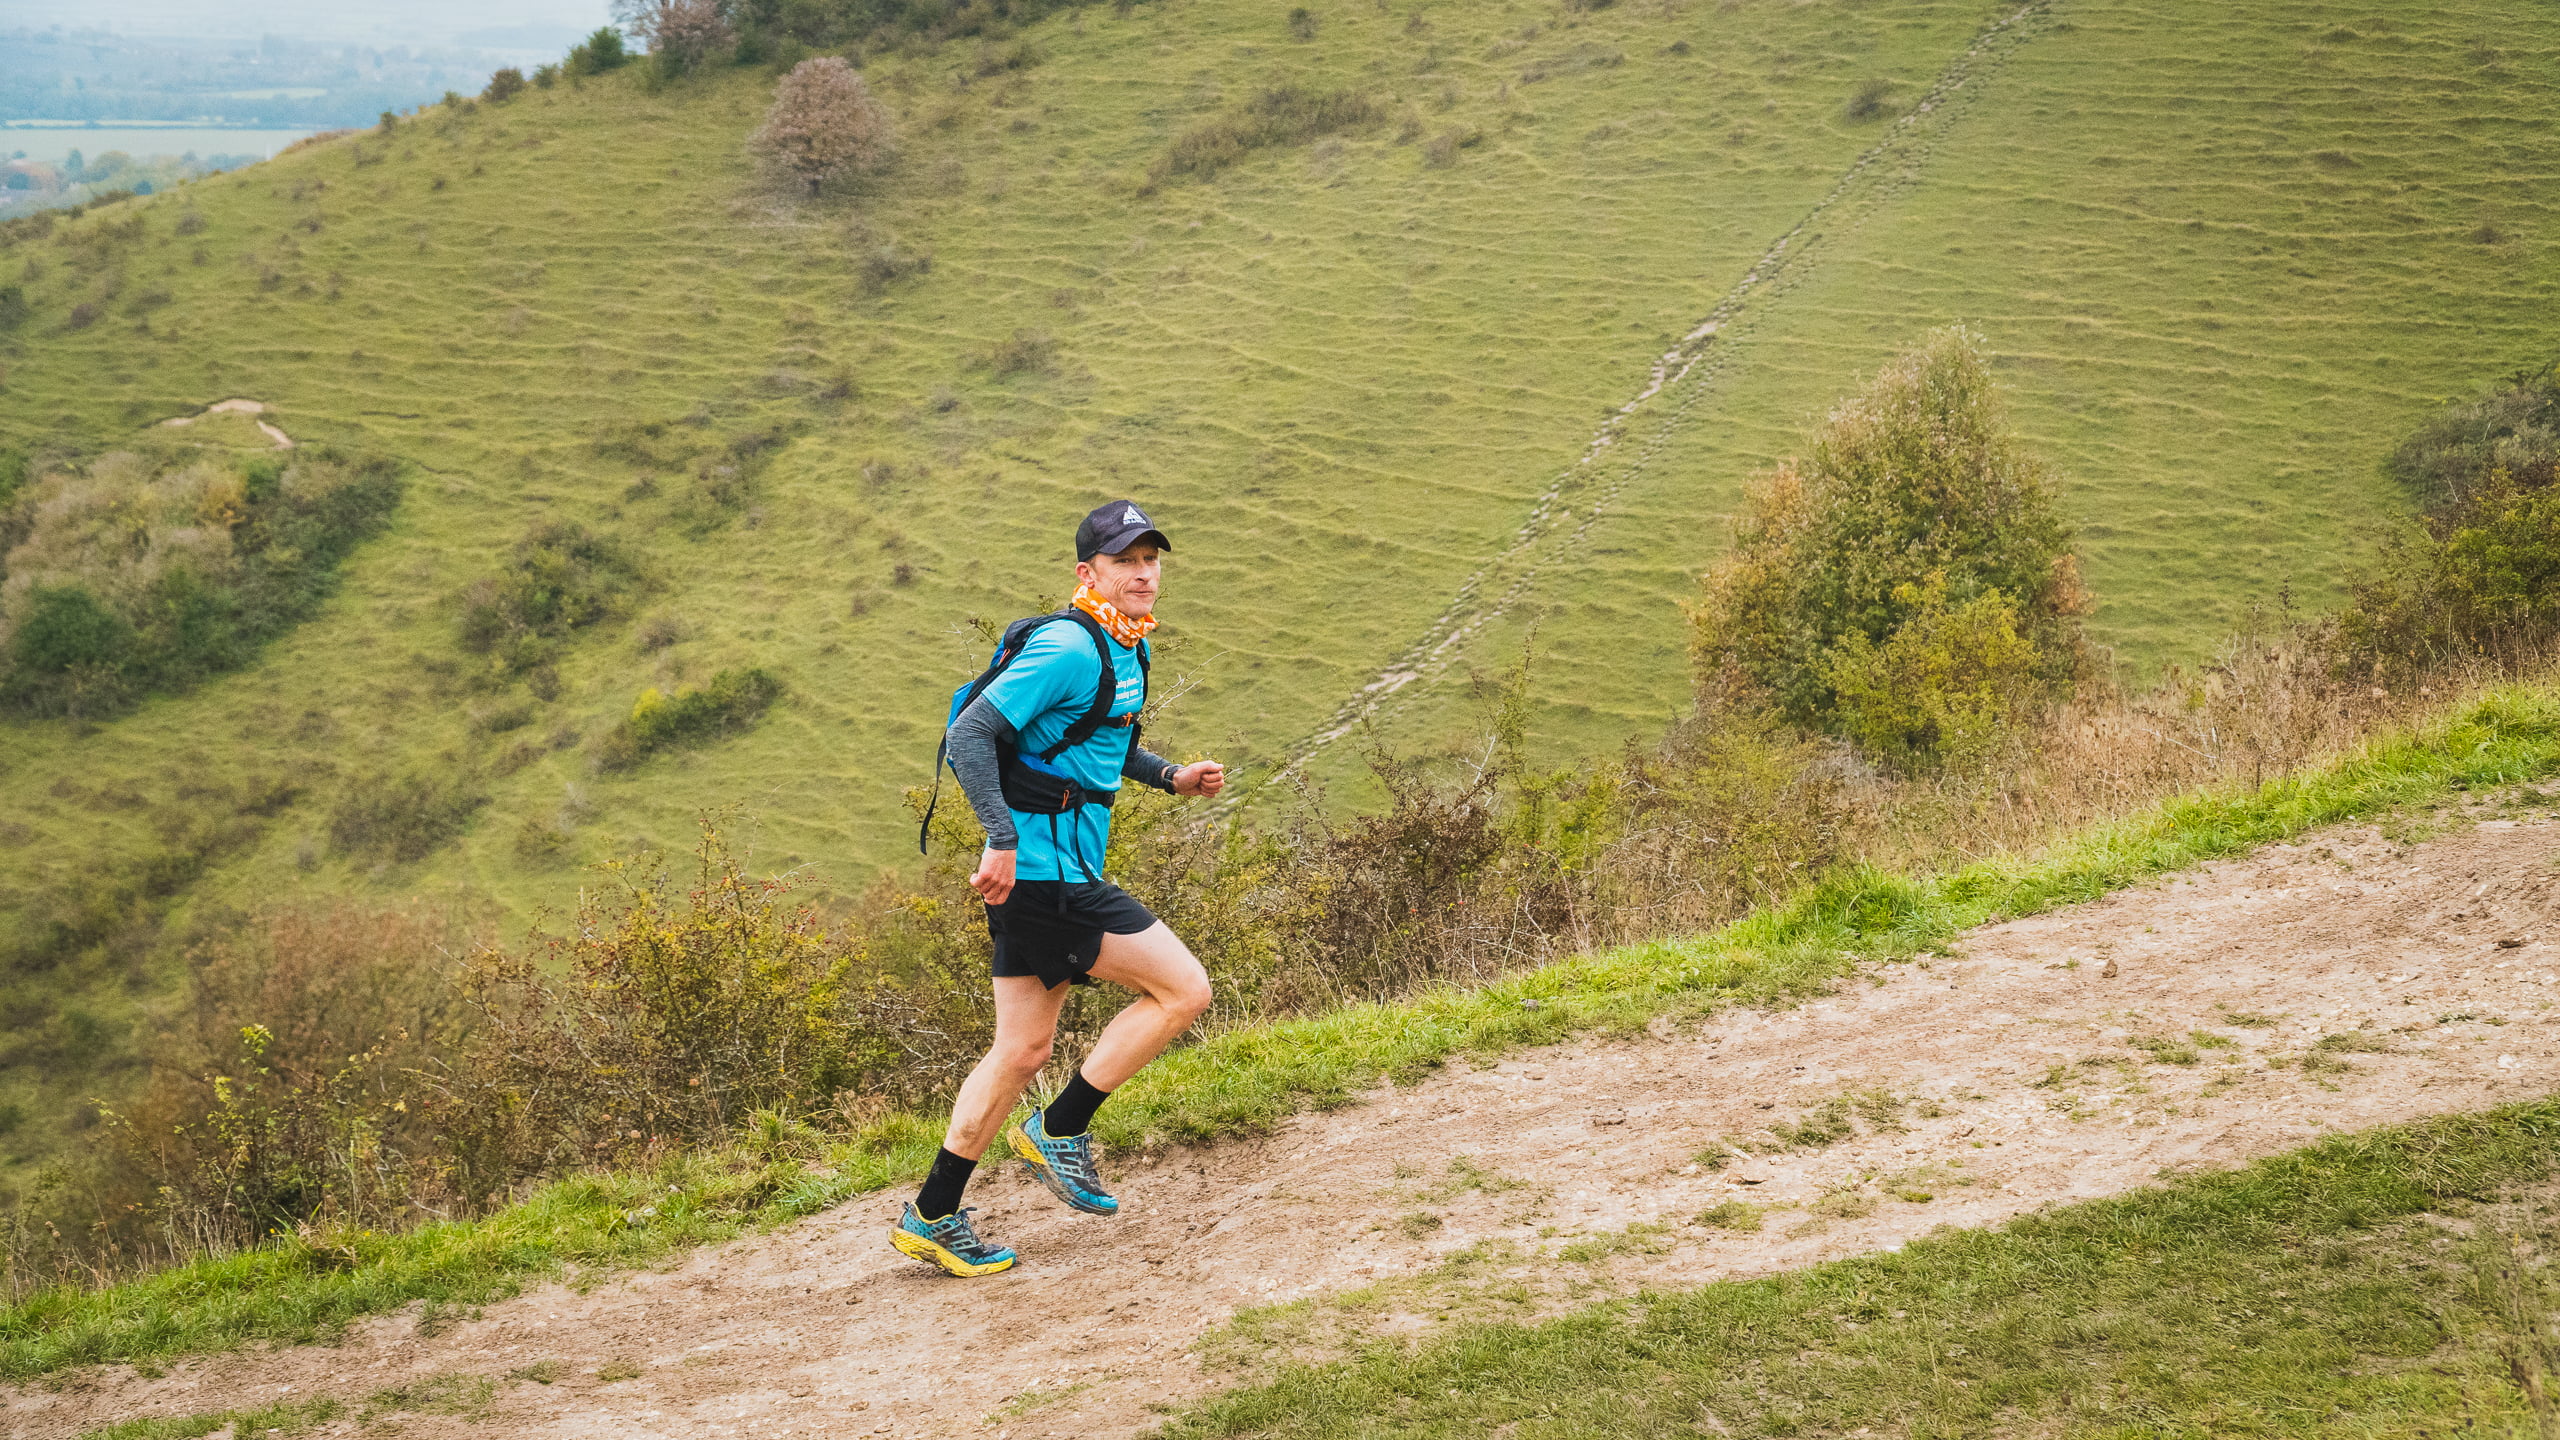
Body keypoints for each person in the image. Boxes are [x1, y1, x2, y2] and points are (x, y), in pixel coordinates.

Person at [890, 499, 1227, 1278]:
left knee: (1020, 1049)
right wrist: (1004, 840)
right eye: (1125, 562)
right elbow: (970, 733)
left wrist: (1169, 777)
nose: (1143, 574)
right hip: (1047, 877)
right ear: (1089, 574)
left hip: (1050, 877)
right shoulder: (1073, 646)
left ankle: (933, 1214)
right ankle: (1062, 1128)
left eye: (1151, 559)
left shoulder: (1123, 645)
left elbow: (1098, 744)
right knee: (1183, 989)